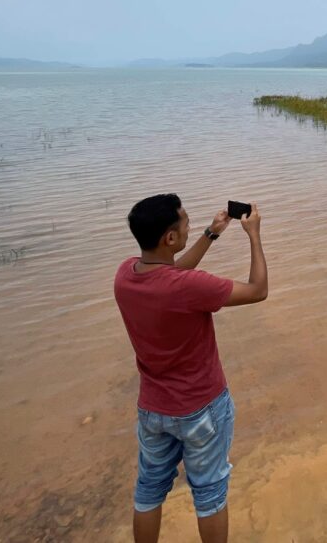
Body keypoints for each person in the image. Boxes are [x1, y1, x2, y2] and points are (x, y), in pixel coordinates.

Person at [114, 194, 269, 543]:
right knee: (210, 493)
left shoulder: (125, 274)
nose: (189, 226)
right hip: (202, 408)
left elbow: (170, 273)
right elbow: (258, 290)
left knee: (149, 488)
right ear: (170, 238)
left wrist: (211, 234)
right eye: (185, 223)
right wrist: (254, 235)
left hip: (153, 409)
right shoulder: (189, 288)